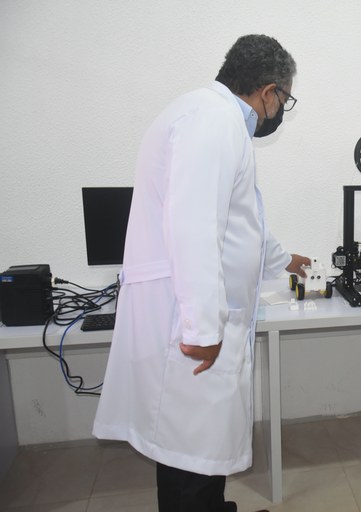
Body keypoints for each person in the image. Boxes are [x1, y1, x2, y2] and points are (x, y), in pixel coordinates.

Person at [92, 34, 310, 512]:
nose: (279, 112)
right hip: (189, 323)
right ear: (268, 92)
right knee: (189, 452)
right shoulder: (213, 121)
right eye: (284, 101)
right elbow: (194, 227)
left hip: (193, 313)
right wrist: (203, 328)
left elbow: (240, 221)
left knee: (197, 446)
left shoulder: (207, 115)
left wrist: (282, 259)